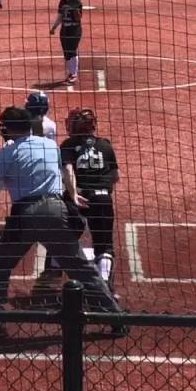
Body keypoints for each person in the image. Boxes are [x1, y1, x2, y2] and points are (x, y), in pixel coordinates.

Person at [0, 106, 125, 337]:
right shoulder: (50, 146)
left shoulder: (7, 154)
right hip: (57, 212)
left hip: (25, 216)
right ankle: (116, 317)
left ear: (6, 129)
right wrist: (73, 193)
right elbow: (66, 171)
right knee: (81, 269)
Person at [54, 108, 121, 295]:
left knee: (65, 234)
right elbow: (116, 176)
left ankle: (54, 269)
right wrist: (104, 191)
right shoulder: (105, 145)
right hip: (102, 198)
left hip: (79, 197)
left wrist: (74, 194)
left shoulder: (68, 144)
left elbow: (68, 172)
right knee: (104, 244)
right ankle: (105, 283)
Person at [49, 0, 84, 84]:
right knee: (66, 52)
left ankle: (74, 74)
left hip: (75, 29)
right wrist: (54, 27)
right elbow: (60, 16)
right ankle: (70, 72)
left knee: (72, 50)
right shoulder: (62, 2)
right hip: (64, 30)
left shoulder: (77, 2)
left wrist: (74, 7)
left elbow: (78, 18)